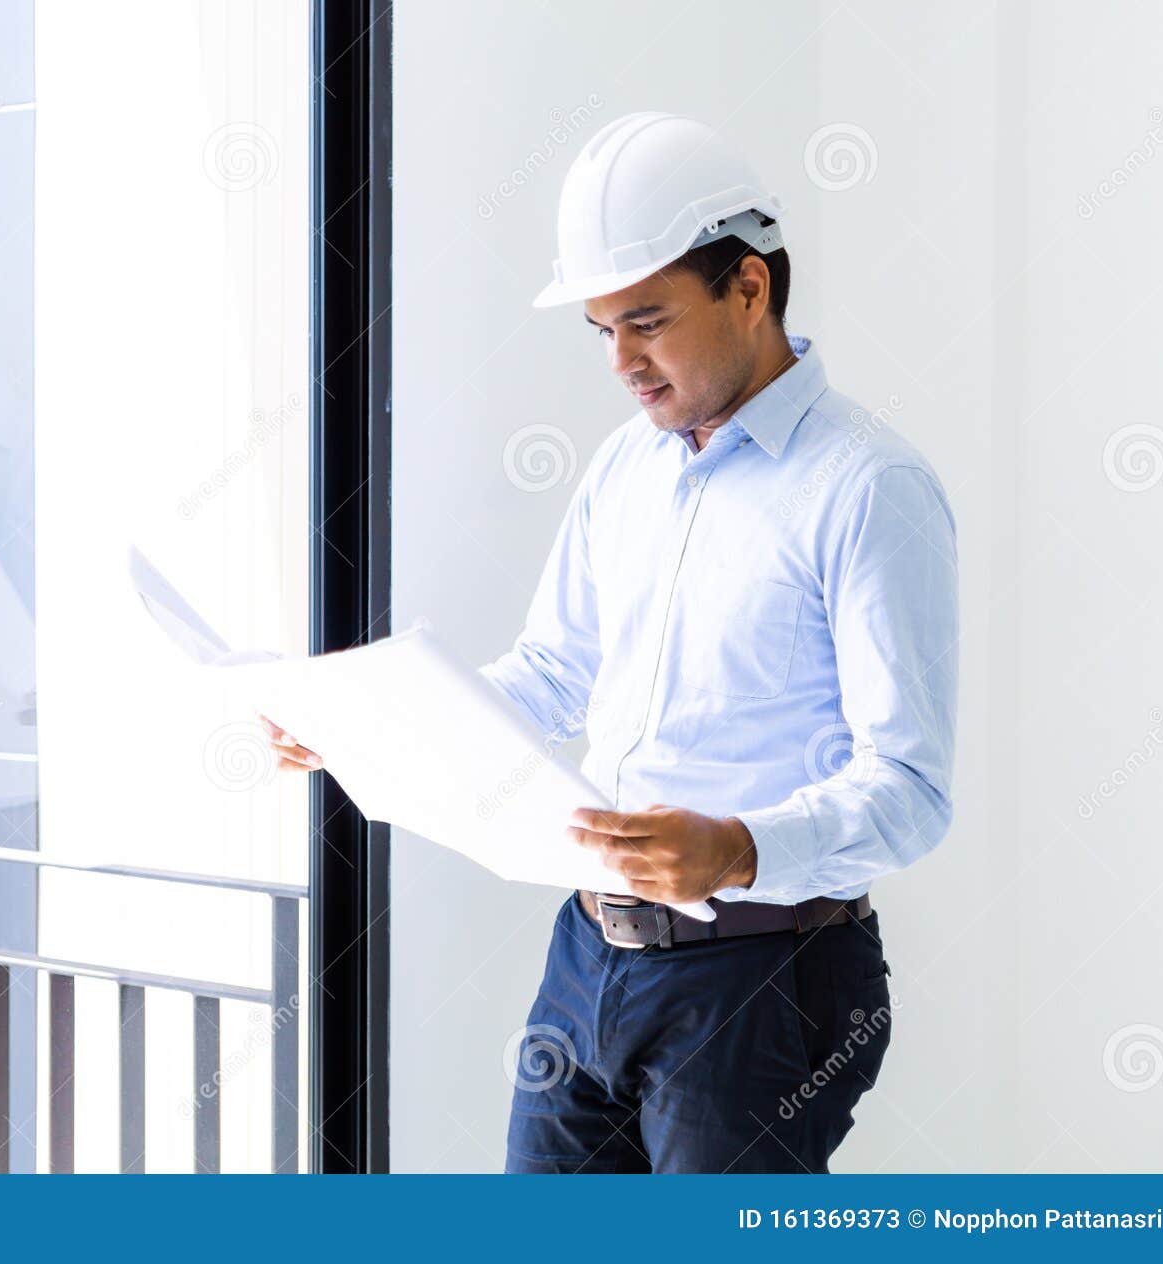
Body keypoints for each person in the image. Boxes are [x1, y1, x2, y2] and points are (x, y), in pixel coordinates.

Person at [262, 111, 958, 1174]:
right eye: (601, 331)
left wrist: (737, 845)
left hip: (763, 981)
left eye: (648, 321)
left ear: (750, 289)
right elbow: (551, 674)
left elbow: (908, 789)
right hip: (589, 956)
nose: (623, 362)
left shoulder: (867, 488)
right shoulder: (626, 470)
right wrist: (367, 728)